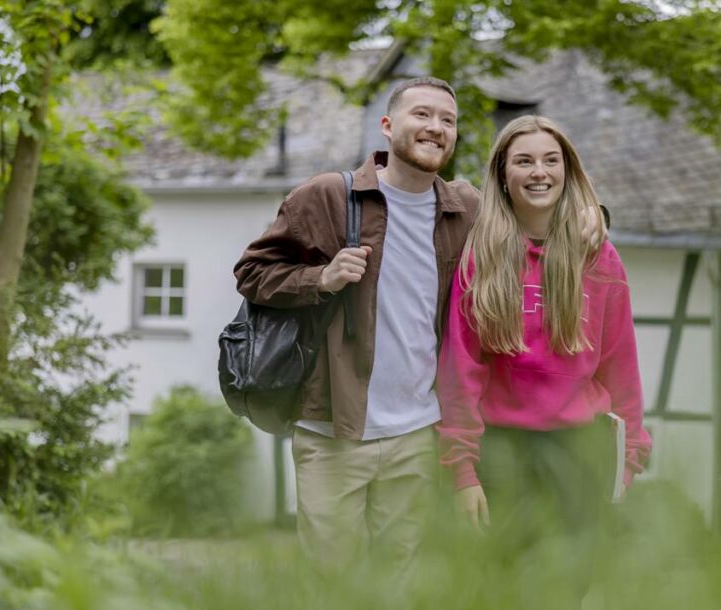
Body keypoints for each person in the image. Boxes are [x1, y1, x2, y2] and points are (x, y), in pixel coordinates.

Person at [235, 79, 604, 575]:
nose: (435, 128)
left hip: (416, 433)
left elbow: (537, 219)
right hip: (332, 429)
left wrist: (594, 217)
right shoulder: (328, 197)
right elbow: (252, 273)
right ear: (388, 127)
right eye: (422, 115)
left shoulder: (466, 208)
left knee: (400, 586)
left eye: (447, 121)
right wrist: (320, 278)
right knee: (331, 585)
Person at [436, 115, 652, 560]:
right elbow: (461, 371)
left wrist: (629, 458)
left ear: (567, 172)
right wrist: (463, 471)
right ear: (503, 174)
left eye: (552, 160)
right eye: (524, 161)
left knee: (569, 596)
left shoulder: (599, 257)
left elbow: (620, 365)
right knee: (501, 594)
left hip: (580, 453)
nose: (540, 172)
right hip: (502, 454)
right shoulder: (482, 257)